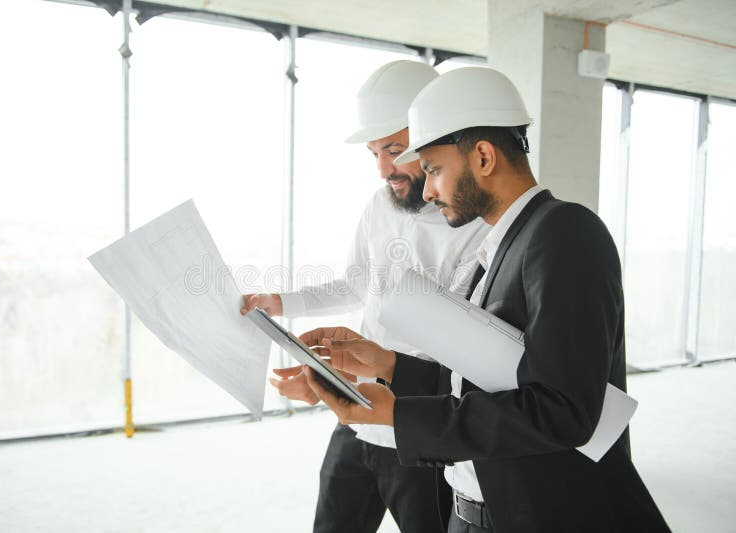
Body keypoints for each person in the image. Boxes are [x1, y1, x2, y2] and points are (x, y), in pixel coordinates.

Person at [299, 67, 670, 533]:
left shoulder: (565, 233)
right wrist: (389, 364)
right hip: (475, 509)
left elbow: (563, 410)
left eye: (433, 169)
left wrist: (398, 413)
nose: (428, 189)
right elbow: (493, 381)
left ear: (483, 157)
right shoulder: (501, 248)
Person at [241, 60, 490, 533]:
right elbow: (358, 283)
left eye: (395, 150)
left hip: (418, 427)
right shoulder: (381, 206)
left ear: (433, 138)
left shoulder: (475, 229)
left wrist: (332, 373)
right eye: (374, 153)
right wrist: (281, 302)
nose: (382, 169)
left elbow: (454, 350)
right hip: (356, 417)